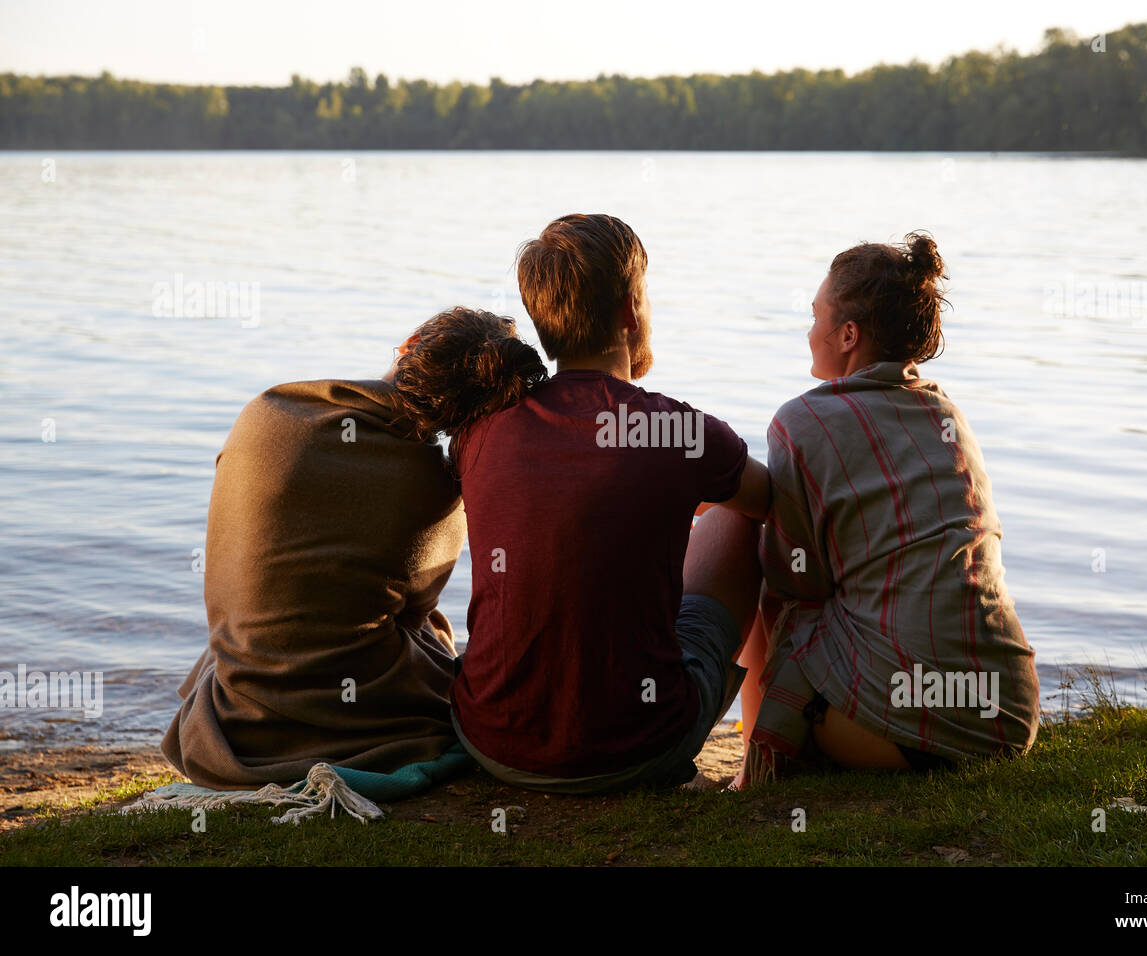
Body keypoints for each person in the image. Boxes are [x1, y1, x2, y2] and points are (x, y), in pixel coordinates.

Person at [449, 213, 772, 793]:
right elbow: (769, 499)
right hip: (636, 748)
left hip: (491, 740)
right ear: (631, 309)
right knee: (739, 517)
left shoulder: (480, 427)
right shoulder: (677, 431)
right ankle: (761, 757)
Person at [162, 308, 545, 789]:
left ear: (409, 343)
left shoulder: (270, 408)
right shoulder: (438, 489)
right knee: (436, 636)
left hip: (233, 698)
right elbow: (412, 614)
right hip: (346, 705)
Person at [737, 231, 1039, 786]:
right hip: (1007, 719)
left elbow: (795, 582)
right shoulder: (947, 414)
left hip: (896, 732)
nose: (808, 332)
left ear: (847, 334)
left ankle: (757, 763)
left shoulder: (801, 422)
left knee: (753, 541)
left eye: (815, 316)